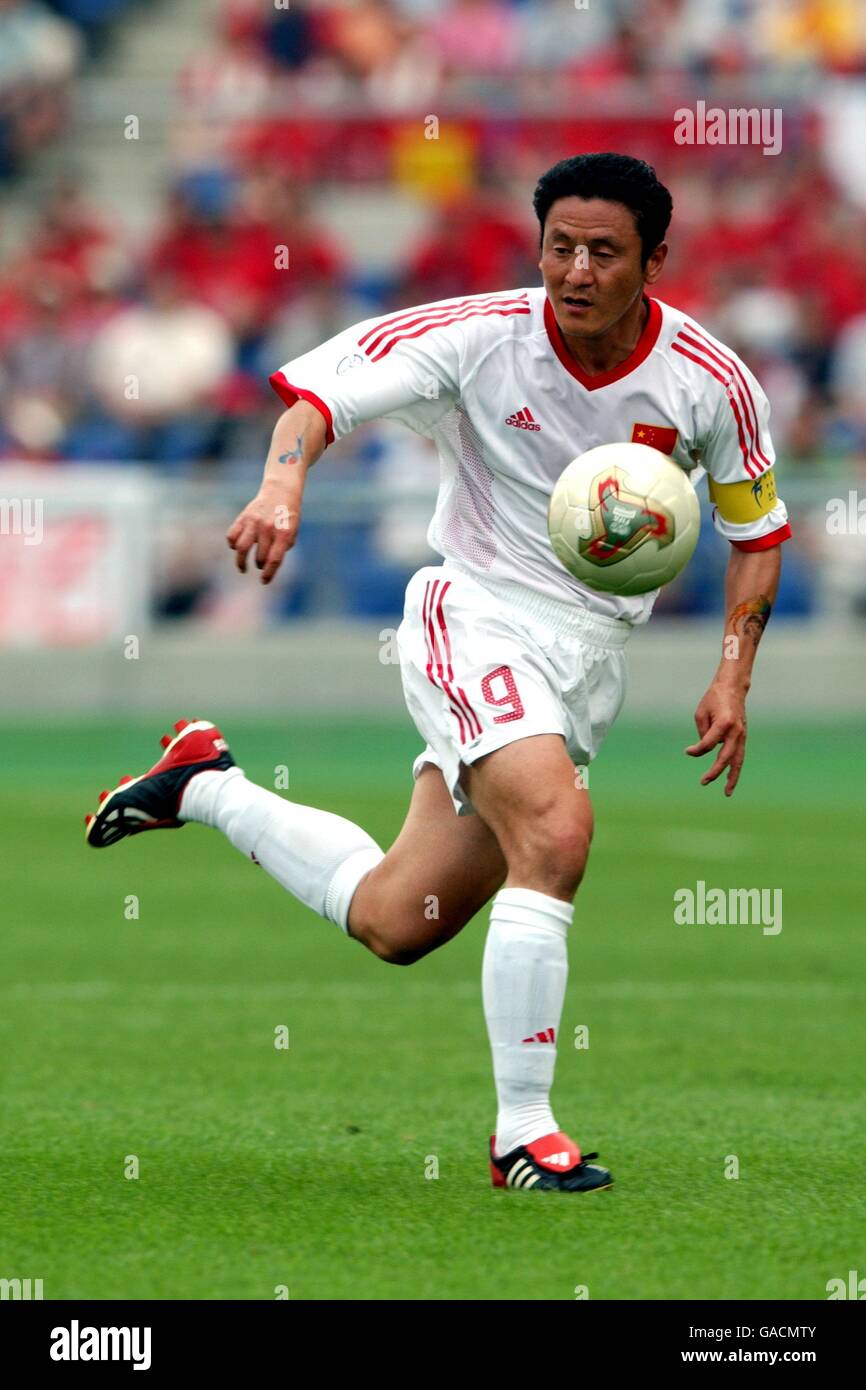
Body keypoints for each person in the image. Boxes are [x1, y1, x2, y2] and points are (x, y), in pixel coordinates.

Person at [85, 153, 791, 1193]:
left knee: (393, 919)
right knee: (554, 833)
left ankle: (203, 785)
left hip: (587, 662)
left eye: (604, 251)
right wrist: (282, 489)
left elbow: (756, 530)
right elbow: (313, 400)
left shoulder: (707, 379)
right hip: (475, 616)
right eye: (560, 246)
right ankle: (523, 1133)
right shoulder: (477, 336)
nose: (576, 270)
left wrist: (732, 673)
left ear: (654, 261)